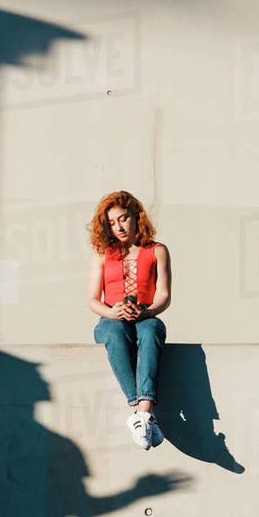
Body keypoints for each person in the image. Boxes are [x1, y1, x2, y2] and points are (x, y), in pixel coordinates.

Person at [85, 190, 171, 451]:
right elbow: (91, 299)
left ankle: (142, 413)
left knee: (151, 329)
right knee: (113, 330)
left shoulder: (157, 250)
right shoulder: (102, 253)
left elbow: (164, 295)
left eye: (123, 219)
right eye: (111, 223)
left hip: (144, 314)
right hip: (111, 317)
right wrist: (113, 312)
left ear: (136, 217)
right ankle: (141, 411)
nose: (118, 227)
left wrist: (145, 312)